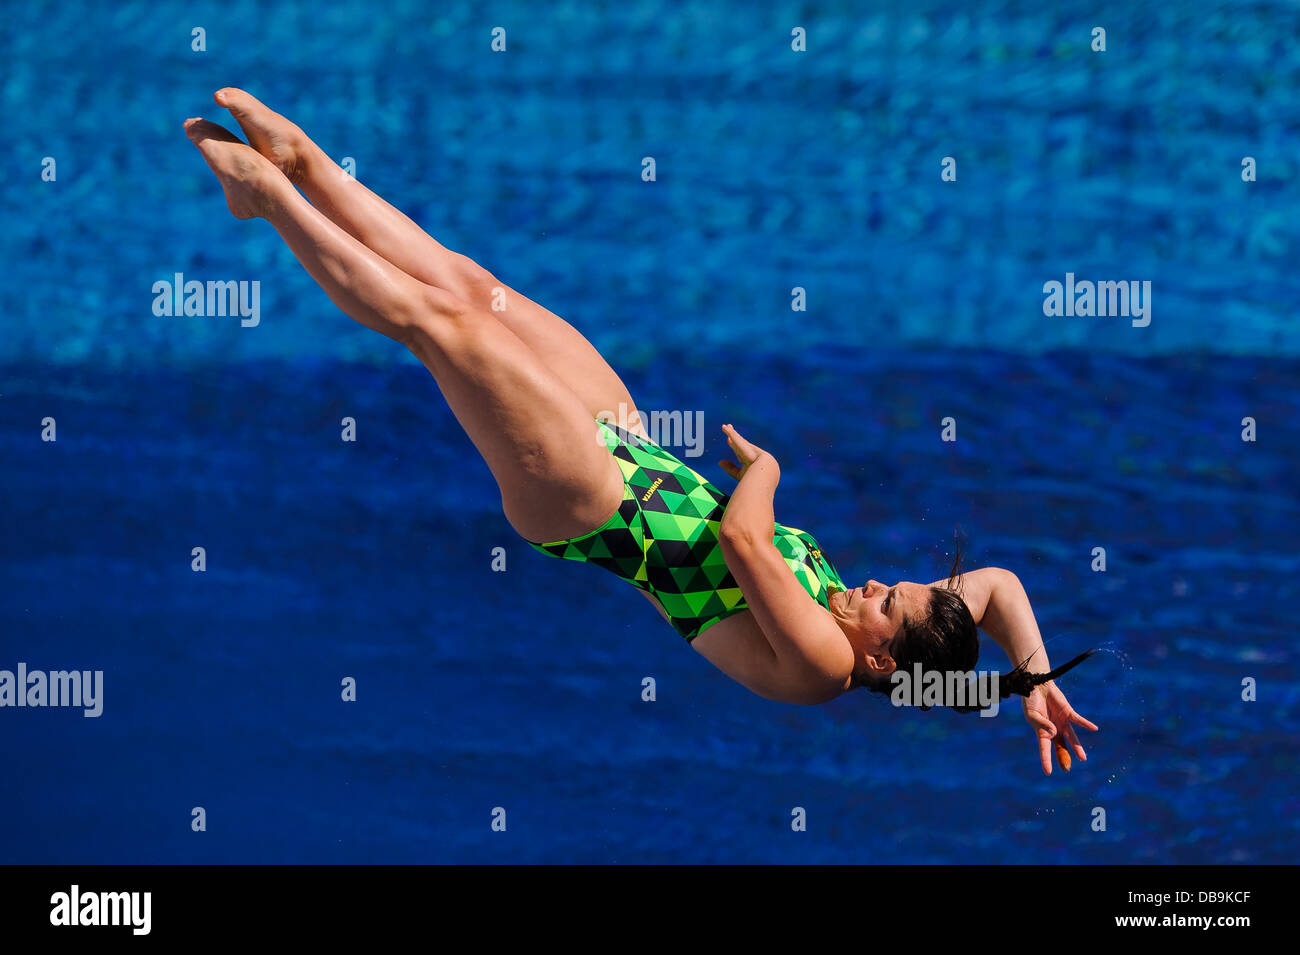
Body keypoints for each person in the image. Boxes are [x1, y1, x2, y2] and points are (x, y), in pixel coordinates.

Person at [184, 88, 1097, 775]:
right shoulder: (889, 633)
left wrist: (767, 469)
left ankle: (271, 200)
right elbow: (998, 584)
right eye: (894, 584)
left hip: (595, 507)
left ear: (883, 654)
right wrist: (1031, 677)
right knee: (472, 287)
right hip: (634, 444)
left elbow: (743, 539)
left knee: (440, 329)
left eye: (885, 600)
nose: (872, 583)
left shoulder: (823, 664)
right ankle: (309, 166)